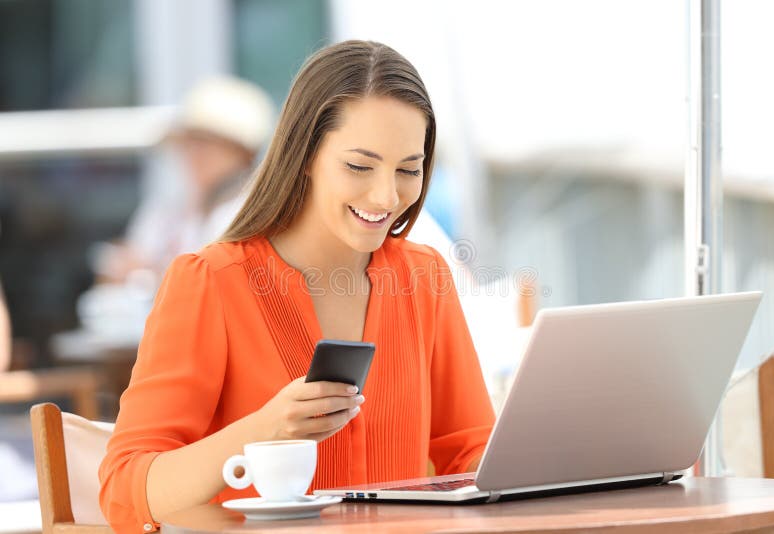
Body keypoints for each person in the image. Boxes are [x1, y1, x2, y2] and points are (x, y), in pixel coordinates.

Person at [98, 40, 495, 533]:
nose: (386, 195)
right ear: (305, 154)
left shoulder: (423, 277)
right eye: (359, 166)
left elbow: (473, 452)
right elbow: (124, 488)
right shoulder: (211, 283)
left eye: (408, 170)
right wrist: (263, 429)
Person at [94, 76, 275, 282]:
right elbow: (115, 273)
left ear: (243, 154)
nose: (194, 153)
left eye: (208, 143)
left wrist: (150, 273)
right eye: (189, 142)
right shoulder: (167, 209)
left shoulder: (256, 216)